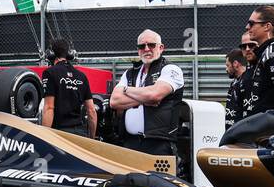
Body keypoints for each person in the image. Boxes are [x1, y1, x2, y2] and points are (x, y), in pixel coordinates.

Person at [109, 29, 185, 157]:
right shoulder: (130, 73)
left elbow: (154, 95)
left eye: (151, 45)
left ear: (161, 48)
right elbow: (114, 101)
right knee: (130, 177)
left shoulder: (171, 69)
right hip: (130, 143)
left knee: (160, 178)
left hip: (159, 145)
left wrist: (127, 90)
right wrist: (145, 98)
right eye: (141, 46)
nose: (146, 49)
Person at [242, 6, 274, 118]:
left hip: (271, 129)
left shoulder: (272, 55)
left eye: (251, 23)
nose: (247, 27)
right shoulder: (264, 53)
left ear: (267, 26)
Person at [40, 39, 96, 137]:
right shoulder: (81, 76)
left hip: (59, 134)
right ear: (68, 54)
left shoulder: (49, 73)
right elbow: (91, 110)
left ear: (52, 55)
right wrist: (92, 138)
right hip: (80, 134)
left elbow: (49, 107)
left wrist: (44, 138)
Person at [224, 48, 248, 129]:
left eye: (228, 65)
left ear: (235, 64)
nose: (226, 69)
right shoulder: (235, 82)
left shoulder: (246, 82)